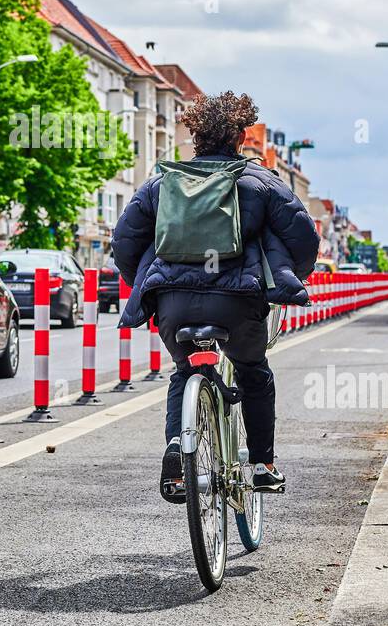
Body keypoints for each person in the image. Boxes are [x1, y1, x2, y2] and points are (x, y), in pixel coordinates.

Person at [112, 90, 318, 500]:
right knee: (254, 372)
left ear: (196, 139)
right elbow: (304, 237)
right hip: (238, 304)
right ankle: (262, 465)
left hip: (173, 302)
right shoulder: (260, 182)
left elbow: (124, 241)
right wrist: (294, 277)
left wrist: (148, 283)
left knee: (185, 371)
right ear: (241, 137)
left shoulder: (161, 184)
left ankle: (177, 448)